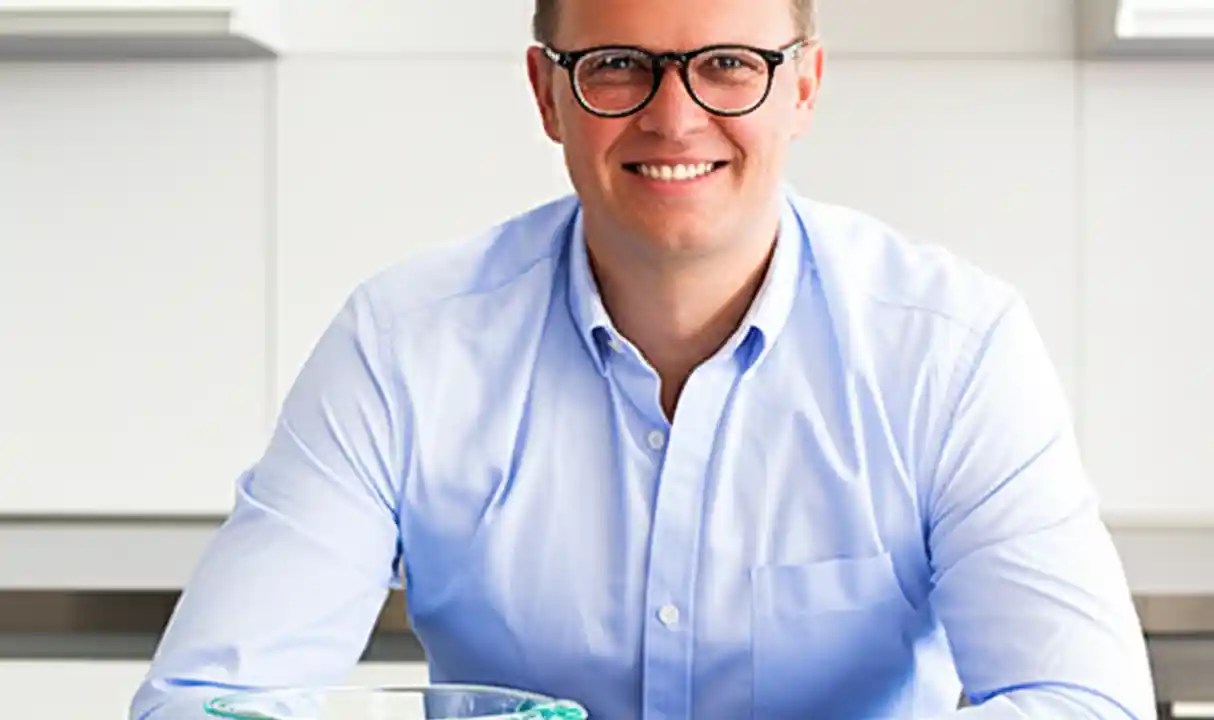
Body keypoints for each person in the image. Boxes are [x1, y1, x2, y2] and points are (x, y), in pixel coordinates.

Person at [131, 0, 1157, 718]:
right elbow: (208, 700)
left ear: (801, 85)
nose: (673, 117)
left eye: (728, 64)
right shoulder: (403, 346)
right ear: (546, 93)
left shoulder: (949, 350)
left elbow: (1080, 699)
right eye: (617, 63)